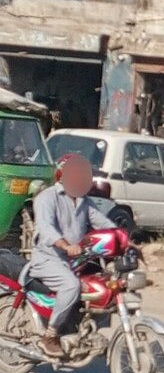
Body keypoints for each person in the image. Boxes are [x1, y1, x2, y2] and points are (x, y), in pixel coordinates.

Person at [29, 153, 116, 359]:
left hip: (75, 260)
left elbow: (104, 223)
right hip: (48, 258)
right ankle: (50, 335)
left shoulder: (84, 201)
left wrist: (123, 240)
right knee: (72, 285)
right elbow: (46, 228)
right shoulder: (47, 197)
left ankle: (85, 330)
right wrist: (66, 246)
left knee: (103, 282)